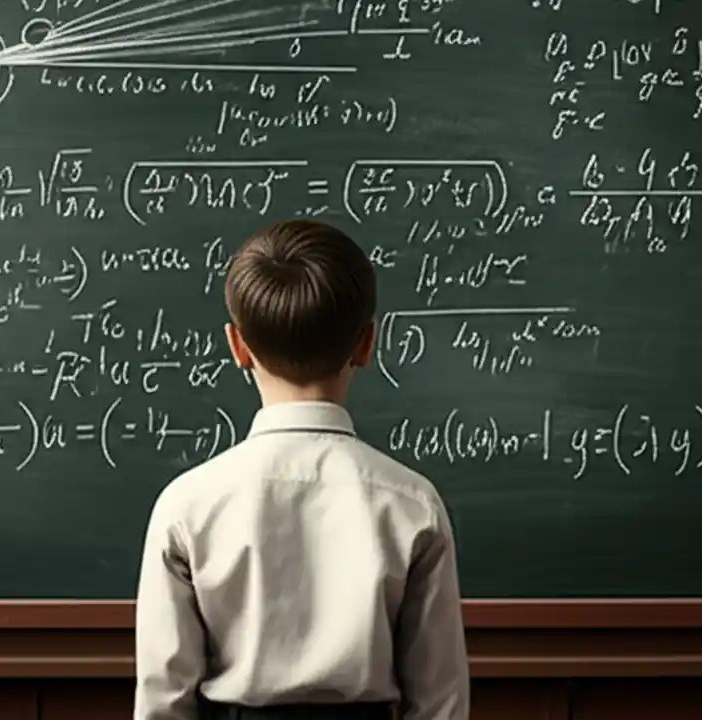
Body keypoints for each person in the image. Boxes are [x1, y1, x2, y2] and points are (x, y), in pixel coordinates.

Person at [134, 220, 469, 720]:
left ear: (238, 347)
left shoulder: (185, 505)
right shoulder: (412, 502)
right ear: (366, 344)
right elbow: (440, 703)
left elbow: (163, 698)